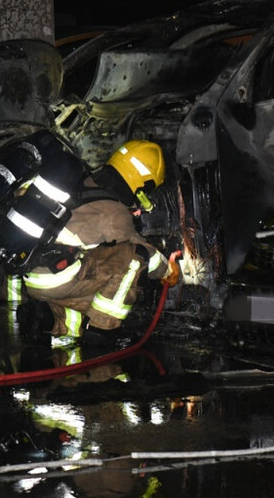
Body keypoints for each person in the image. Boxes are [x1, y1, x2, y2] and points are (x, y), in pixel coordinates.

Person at [15, 139, 181, 348]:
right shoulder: (114, 213)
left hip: (35, 277)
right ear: (141, 185)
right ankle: (103, 331)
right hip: (60, 278)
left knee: (95, 296)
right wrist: (169, 271)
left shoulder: (86, 182)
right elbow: (146, 253)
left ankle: (50, 321)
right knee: (134, 258)